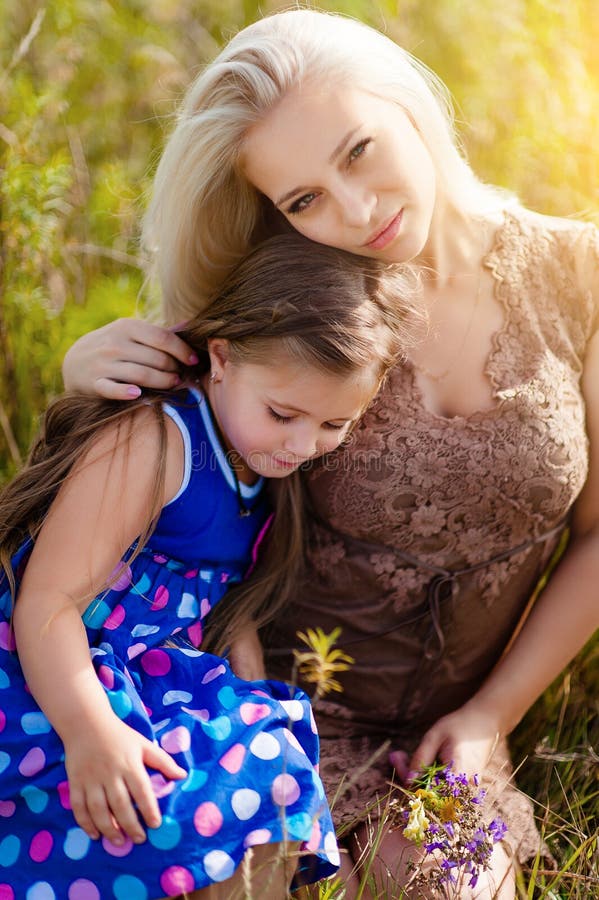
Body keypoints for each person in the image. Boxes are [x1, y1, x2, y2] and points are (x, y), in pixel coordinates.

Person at [61, 8, 599, 898]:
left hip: (449, 733)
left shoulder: (580, 274)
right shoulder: (302, 300)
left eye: (357, 150)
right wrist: (91, 369)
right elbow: (166, 436)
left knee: (450, 887)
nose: (354, 212)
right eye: (302, 199)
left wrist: (489, 718)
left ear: (406, 104)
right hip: (257, 706)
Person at [0, 233, 418, 899]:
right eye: (283, 414)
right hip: (55, 674)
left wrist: (248, 703)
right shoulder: (155, 441)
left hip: (153, 677)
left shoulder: (258, 466)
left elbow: (223, 605)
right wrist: (91, 732)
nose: (303, 445)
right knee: (145, 806)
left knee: (270, 763)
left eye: (334, 424)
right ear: (221, 358)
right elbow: (47, 604)